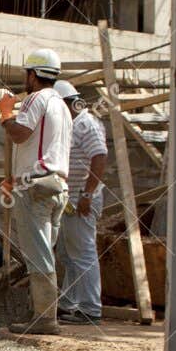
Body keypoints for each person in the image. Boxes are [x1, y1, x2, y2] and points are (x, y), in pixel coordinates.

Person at [0, 48, 72, 335]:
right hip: (55, 185)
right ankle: (44, 314)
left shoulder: (35, 99)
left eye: (26, 74)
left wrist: (6, 116)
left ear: (33, 75)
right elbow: (45, 148)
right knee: (47, 252)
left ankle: (45, 320)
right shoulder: (61, 105)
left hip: (36, 187)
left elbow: (20, 134)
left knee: (38, 255)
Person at [54, 80, 108, 324]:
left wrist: (86, 194)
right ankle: (69, 303)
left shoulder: (86, 124)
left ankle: (90, 309)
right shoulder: (75, 124)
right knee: (68, 253)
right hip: (72, 198)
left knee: (83, 253)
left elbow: (99, 158)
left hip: (82, 199)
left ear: (68, 103)